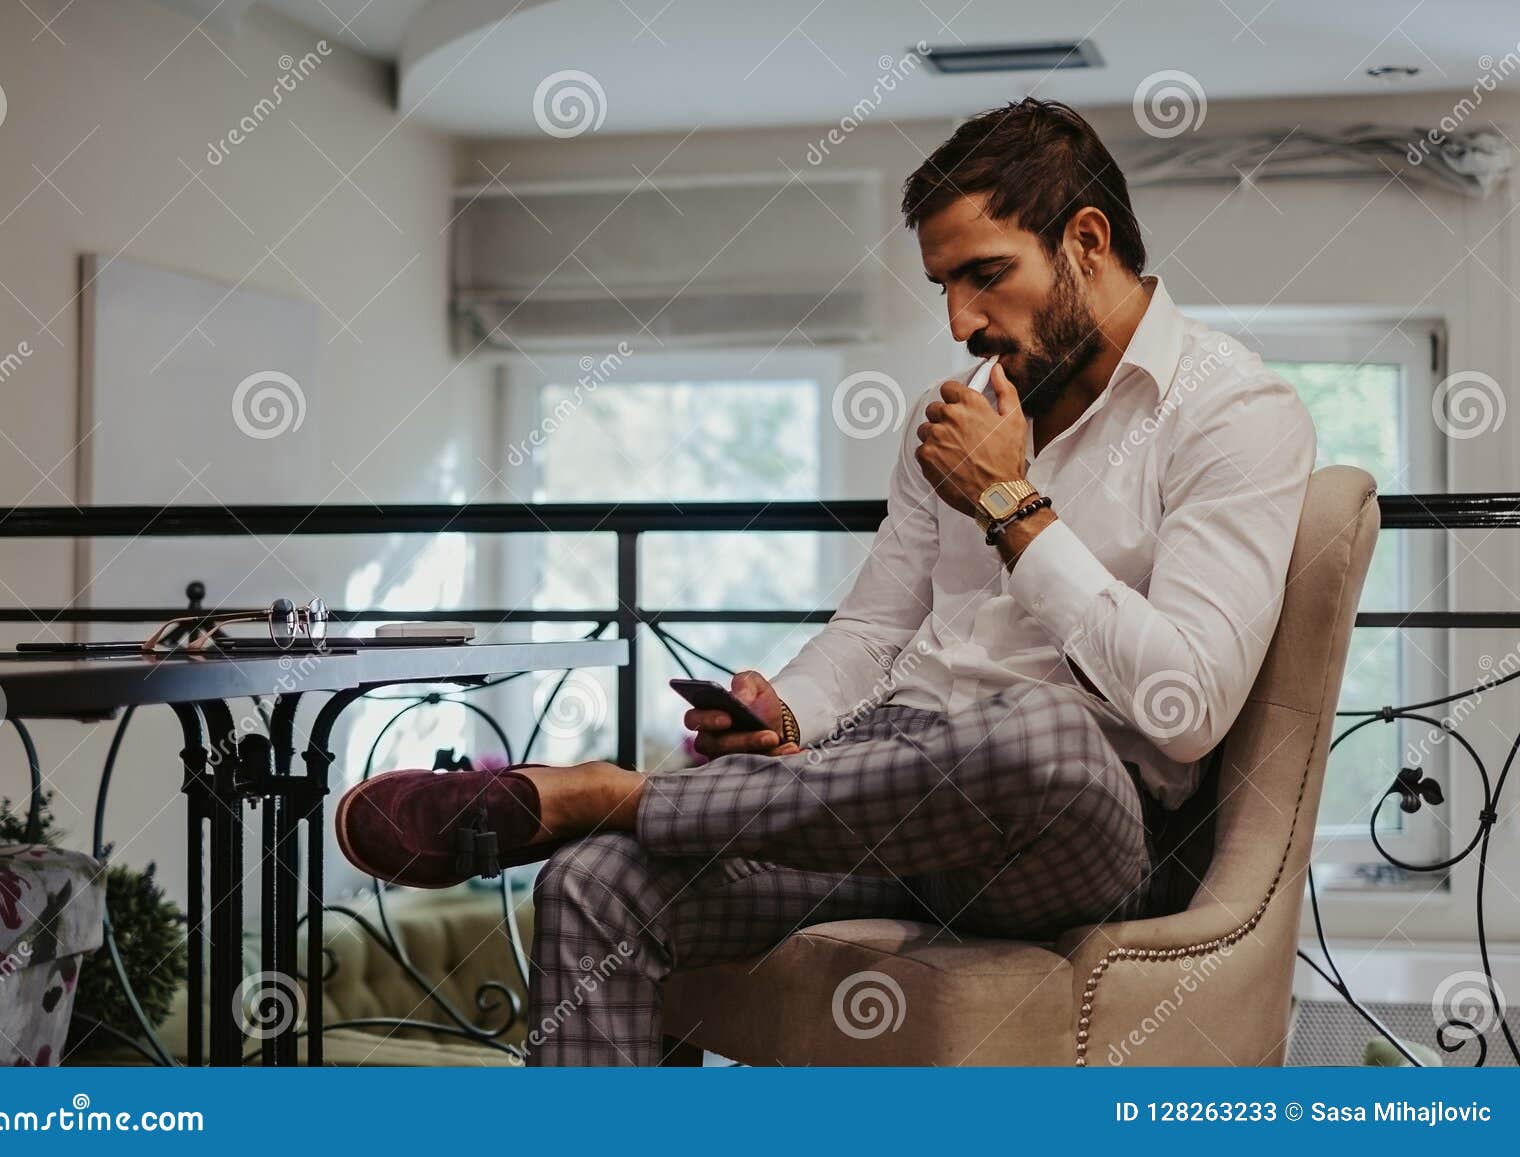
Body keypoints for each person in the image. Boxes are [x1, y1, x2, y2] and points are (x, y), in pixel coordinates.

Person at [334, 97, 1317, 1066]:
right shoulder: (959, 417)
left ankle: (618, 793)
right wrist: (789, 712)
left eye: (986, 275)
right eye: (943, 285)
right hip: (888, 799)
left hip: (1071, 824)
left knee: (1038, 731)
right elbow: (877, 627)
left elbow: (1183, 706)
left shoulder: (1232, 413)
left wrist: (1011, 506)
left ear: (1085, 241)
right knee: (591, 882)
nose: (962, 321)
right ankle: (615, 821)